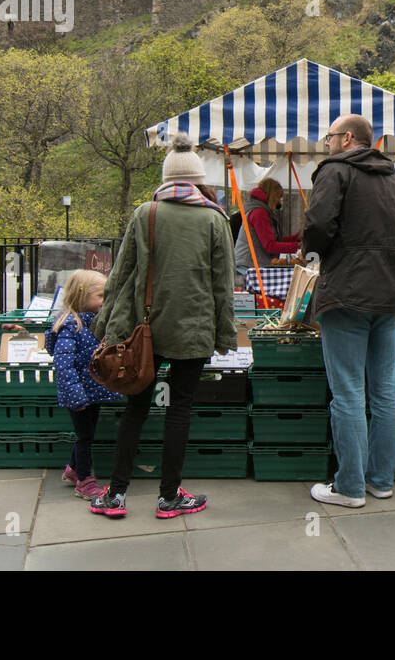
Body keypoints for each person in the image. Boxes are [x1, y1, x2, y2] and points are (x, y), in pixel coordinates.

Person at [90, 134, 237, 519]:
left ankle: (116, 494)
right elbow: (223, 285)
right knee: (180, 411)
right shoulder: (214, 219)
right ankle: (169, 496)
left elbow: (121, 275)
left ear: (166, 178)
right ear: (198, 178)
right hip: (194, 330)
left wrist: (105, 323)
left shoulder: (146, 214)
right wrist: (224, 336)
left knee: (136, 408)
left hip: (145, 329)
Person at [304, 115, 395, 508]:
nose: (326, 143)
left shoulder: (335, 172)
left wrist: (321, 257)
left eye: (329, 136)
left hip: (347, 295)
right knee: (386, 389)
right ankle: (380, 481)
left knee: (349, 391)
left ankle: (350, 488)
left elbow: (318, 224)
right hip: (389, 297)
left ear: (347, 138)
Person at [45, 269, 120, 500]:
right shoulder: (70, 327)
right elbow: (64, 365)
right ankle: (85, 481)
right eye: (100, 297)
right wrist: (76, 396)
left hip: (92, 392)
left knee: (86, 434)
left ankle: (73, 470)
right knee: (85, 437)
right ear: (81, 297)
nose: (104, 302)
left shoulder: (93, 323)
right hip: (79, 396)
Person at [235, 177, 300, 278]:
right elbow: (270, 245)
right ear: (273, 195)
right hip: (248, 266)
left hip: (252, 264)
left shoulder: (262, 210)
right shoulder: (259, 213)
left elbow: (273, 238)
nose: (279, 202)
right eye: (278, 197)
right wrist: (296, 246)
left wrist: (296, 238)